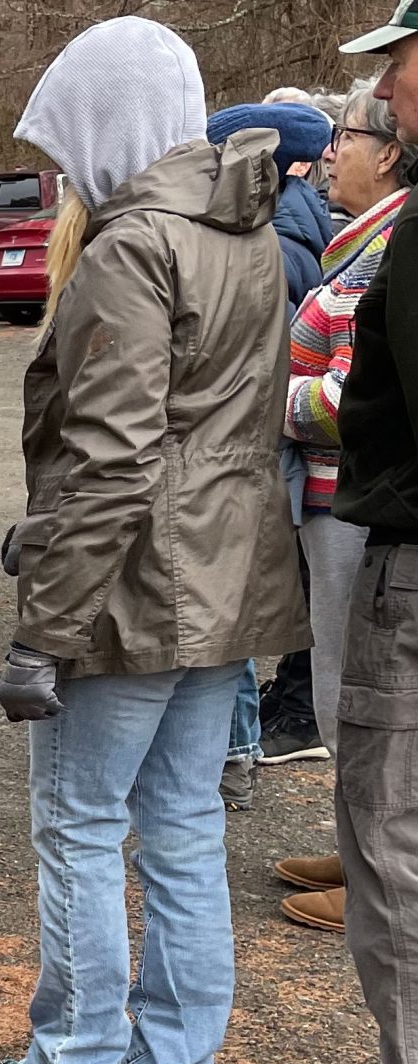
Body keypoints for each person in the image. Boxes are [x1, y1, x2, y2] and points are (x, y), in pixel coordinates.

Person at [0, 16, 309, 1064]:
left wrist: (42, 631)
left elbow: (113, 458)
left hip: (130, 596)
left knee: (77, 825)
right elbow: (201, 433)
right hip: (220, 585)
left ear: (105, 123)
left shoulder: (128, 248)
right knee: (180, 832)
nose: (57, 170)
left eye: (63, 140)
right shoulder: (240, 232)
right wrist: (43, 537)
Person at [272, 0, 418, 1064]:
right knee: (368, 786)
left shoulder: (402, 233)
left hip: (384, 533)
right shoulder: (365, 234)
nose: (378, 93)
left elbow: (358, 384)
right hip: (366, 519)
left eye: (395, 68)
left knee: (395, 829)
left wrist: (293, 403)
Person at [272, 81, 415, 934]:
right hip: (334, 502)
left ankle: (380, 875)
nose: (332, 154)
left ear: (389, 151)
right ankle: (356, 842)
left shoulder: (385, 247)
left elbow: (349, 395)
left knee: (360, 695)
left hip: (353, 504)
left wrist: (272, 403)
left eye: (347, 138)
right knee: (340, 687)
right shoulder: (353, 243)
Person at [204, 102, 339, 807]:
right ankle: (241, 746)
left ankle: (234, 755)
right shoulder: (292, 229)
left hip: (250, 457)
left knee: (224, 613)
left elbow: (257, 365)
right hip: (258, 457)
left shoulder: (275, 246)